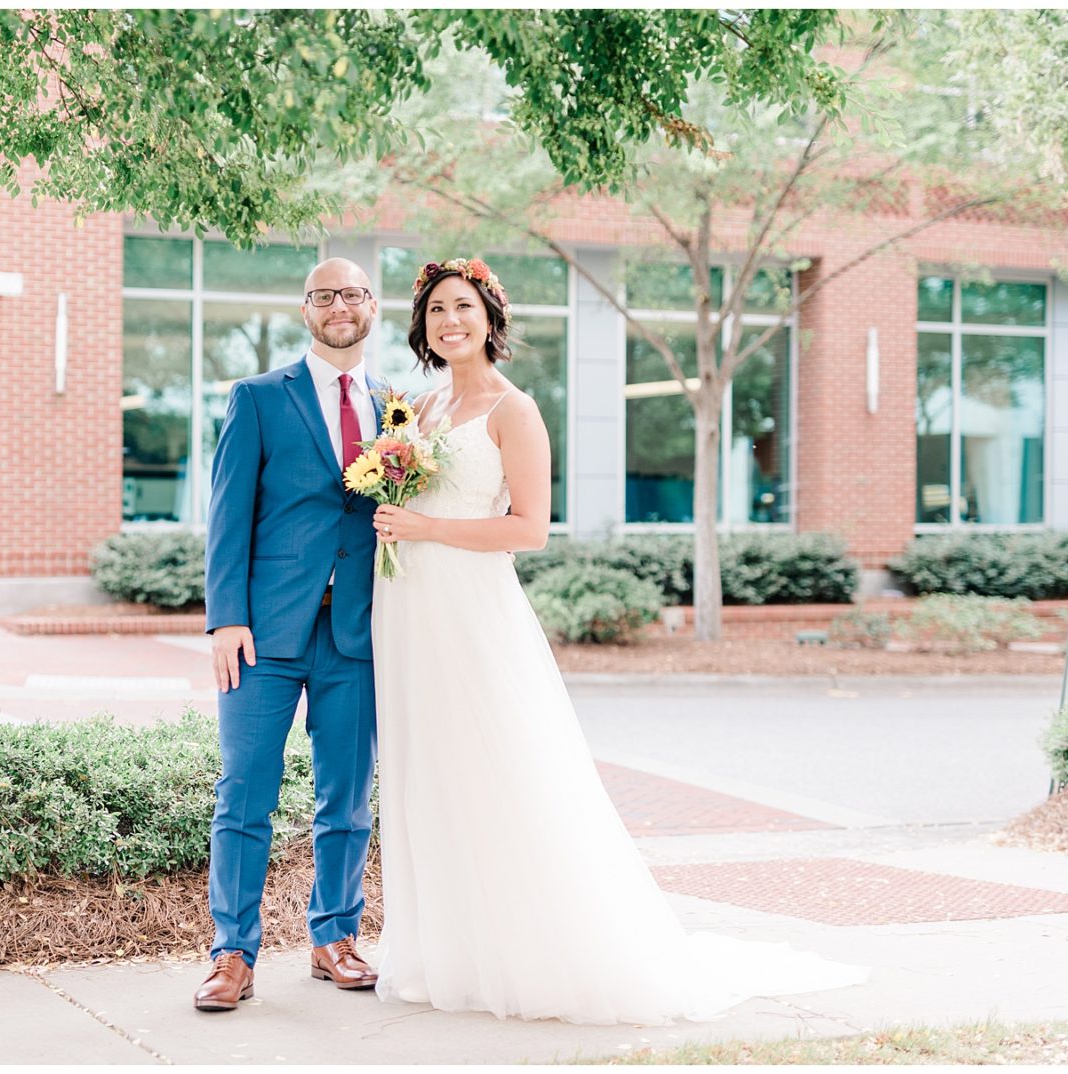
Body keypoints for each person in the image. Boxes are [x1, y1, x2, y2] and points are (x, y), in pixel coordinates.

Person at [368, 257, 868, 1025]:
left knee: (493, 768)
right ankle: (446, 952)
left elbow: (530, 529)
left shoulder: (513, 409)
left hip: (472, 610)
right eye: (436, 311)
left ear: (490, 319)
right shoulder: (419, 406)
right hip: (410, 609)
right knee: (426, 772)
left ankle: (528, 954)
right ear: (422, 327)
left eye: (462, 307)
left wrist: (426, 526)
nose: (449, 322)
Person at [197, 257, 387, 1012]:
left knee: (347, 798)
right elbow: (226, 515)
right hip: (263, 632)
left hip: (356, 633)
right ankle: (232, 955)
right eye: (324, 295)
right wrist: (225, 617)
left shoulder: (397, 408)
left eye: (352, 293)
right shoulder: (258, 398)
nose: (339, 305)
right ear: (306, 310)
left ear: (371, 307)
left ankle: (333, 937)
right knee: (243, 795)